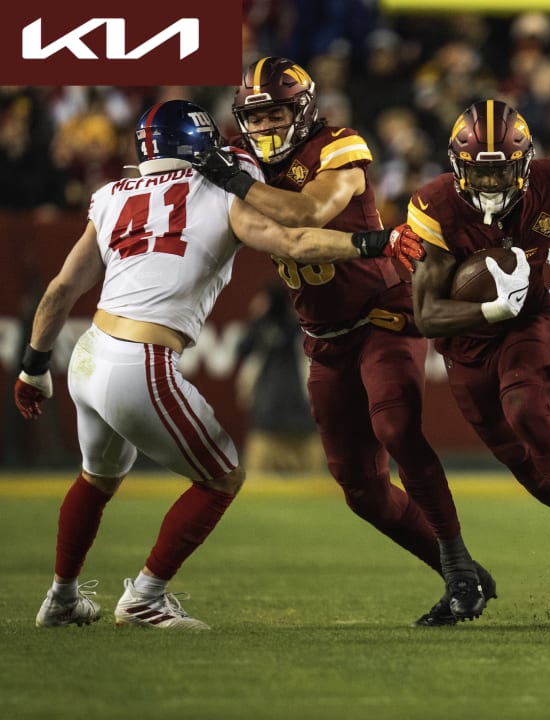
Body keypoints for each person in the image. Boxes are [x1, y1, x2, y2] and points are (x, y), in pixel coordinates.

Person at [19, 100, 411, 630]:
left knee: (96, 478)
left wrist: (33, 366)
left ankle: (62, 598)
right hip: (141, 360)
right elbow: (295, 241)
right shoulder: (222, 187)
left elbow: (62, 288)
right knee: (221, 478)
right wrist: (375, 240)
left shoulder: (112, 195)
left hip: (89, 352)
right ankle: (145, 597)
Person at [195, 56, 488, 625]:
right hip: (324, 336)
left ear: (302, 109)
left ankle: (457, 572)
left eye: (276, 112)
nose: (264, 128)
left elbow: (308, 212)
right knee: (360, 488)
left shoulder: (337, 145)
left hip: (383, 311)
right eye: (253, 118)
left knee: (395, 426)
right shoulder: (246, 162)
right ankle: (463, 570)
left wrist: (228, 176)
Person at [399, 98, 550, 590]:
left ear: (525, 162)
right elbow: (427, 317)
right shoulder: (435, 205)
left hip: (530, 321)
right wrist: (489, 309)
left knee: (526, 412)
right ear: (458, 165)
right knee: (523, 462)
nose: (491, 182)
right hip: (465, 343)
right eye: (480, 172)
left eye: (502, 171)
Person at [234, 282, 323, 474]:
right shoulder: (261, 329)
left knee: (312, 490)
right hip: (269, 424)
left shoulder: (301, 327)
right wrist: (258, 321)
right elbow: (241, 350)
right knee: (261, 491)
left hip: (302, 425)